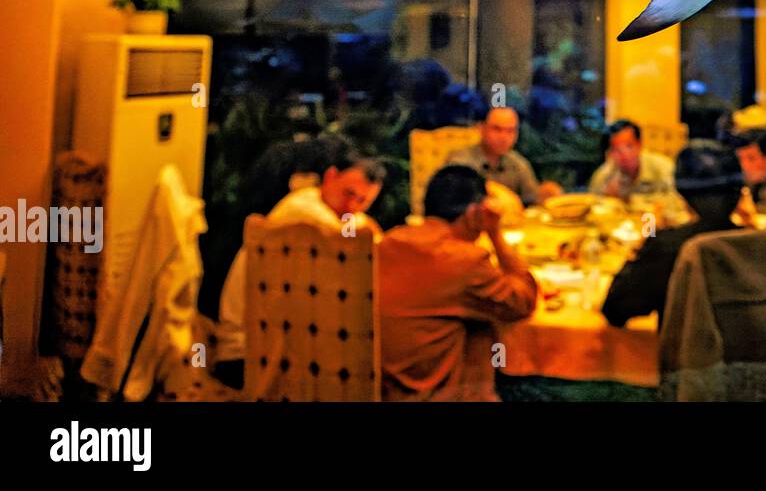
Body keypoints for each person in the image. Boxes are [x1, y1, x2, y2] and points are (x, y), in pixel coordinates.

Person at [214, 136, 386, 389]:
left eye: (362, 202)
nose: (352, 206)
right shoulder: (304, 213)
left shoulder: (334, 214)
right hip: (246, 358)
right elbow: (363, 242)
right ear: (330, 177)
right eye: (348, 194)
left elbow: (365, 232)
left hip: (276, 352)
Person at [378, 165, 538, 401]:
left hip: (387, 387)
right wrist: (495, 234)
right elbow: (523, 302)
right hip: (433, 393)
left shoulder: (391, 241)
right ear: (476, 213)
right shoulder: (464, 261)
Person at [602, 141, 744, 328]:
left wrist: (642, 247)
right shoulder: (756, 245)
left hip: (687, 355)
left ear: (682, 192)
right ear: (739, 191)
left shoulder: (668, 246)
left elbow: (614, 308)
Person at [446, 106, 561, 205]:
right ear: (481, 128)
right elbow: (449, 207)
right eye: (497, 129)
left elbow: (531, 200)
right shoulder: (460, 163)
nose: (504, 137)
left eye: (510, 131)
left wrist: (545, 195)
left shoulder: (518, 163)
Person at [588, 119, 679, 204]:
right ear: (610, 153)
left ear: (639, 145)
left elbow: (678, 202)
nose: (624, 155)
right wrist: (608, 197)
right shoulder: (603, 176)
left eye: (629, 146)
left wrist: (631, 200)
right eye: (616, 150)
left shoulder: (662, 168)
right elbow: (593, 204)